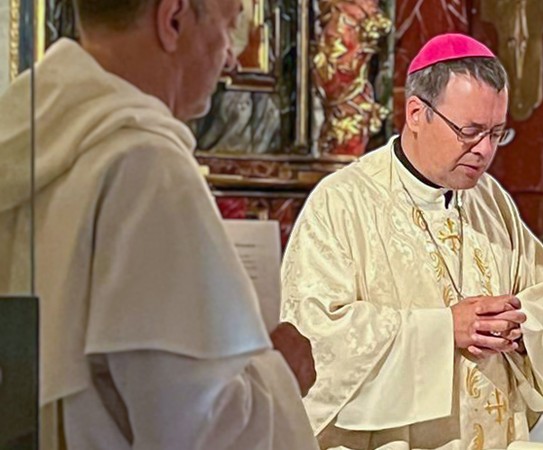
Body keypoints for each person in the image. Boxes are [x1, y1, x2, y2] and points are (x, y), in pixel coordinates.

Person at [0, 0, 319, 448]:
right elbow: (192, 427)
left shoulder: (19, 133)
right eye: (229, 28)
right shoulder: (146, 166)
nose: (230, 58)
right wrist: (283, 373)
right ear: (173, 20)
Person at [281, 33, 543, 449]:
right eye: (469, 131)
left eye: (496, 133)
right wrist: (443, 328)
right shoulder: (342, 202)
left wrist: (519, 329)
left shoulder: (491, 199)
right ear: (416, 113)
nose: (485, 151)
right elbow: (315, 337)